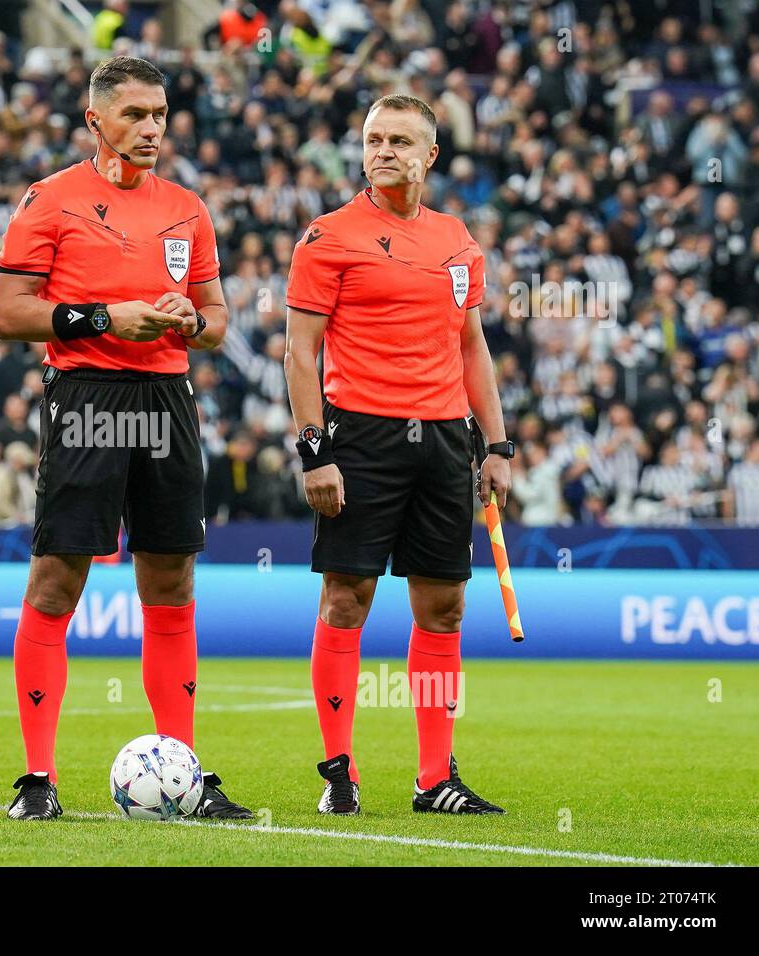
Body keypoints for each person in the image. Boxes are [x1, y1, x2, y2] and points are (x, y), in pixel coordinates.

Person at [0, 56, 251, 820]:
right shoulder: (50, 199)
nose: (150, 128)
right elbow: (7, 312)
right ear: (95, 119)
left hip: (167, 398)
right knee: (57, 580)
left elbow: (217, 320)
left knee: (171, 583)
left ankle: (186, 775)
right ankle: (38, 780)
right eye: (134, 114)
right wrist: (104, 317)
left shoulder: (187, 209)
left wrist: (190, 321)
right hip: (86, 397)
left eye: (159, 114)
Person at [284, 95, 511, 816]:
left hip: (443, 440)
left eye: (400, 141)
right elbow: (299, 352)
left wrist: (497, 443)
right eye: (374, 139)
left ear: (430, 155)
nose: (383, 151)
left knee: (443, 607)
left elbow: (472, 347)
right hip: (361, 438)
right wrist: (314, 451)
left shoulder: (456, 239)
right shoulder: (328, 236)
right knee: (346, 597)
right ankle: (339, 771)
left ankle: (434, 777)